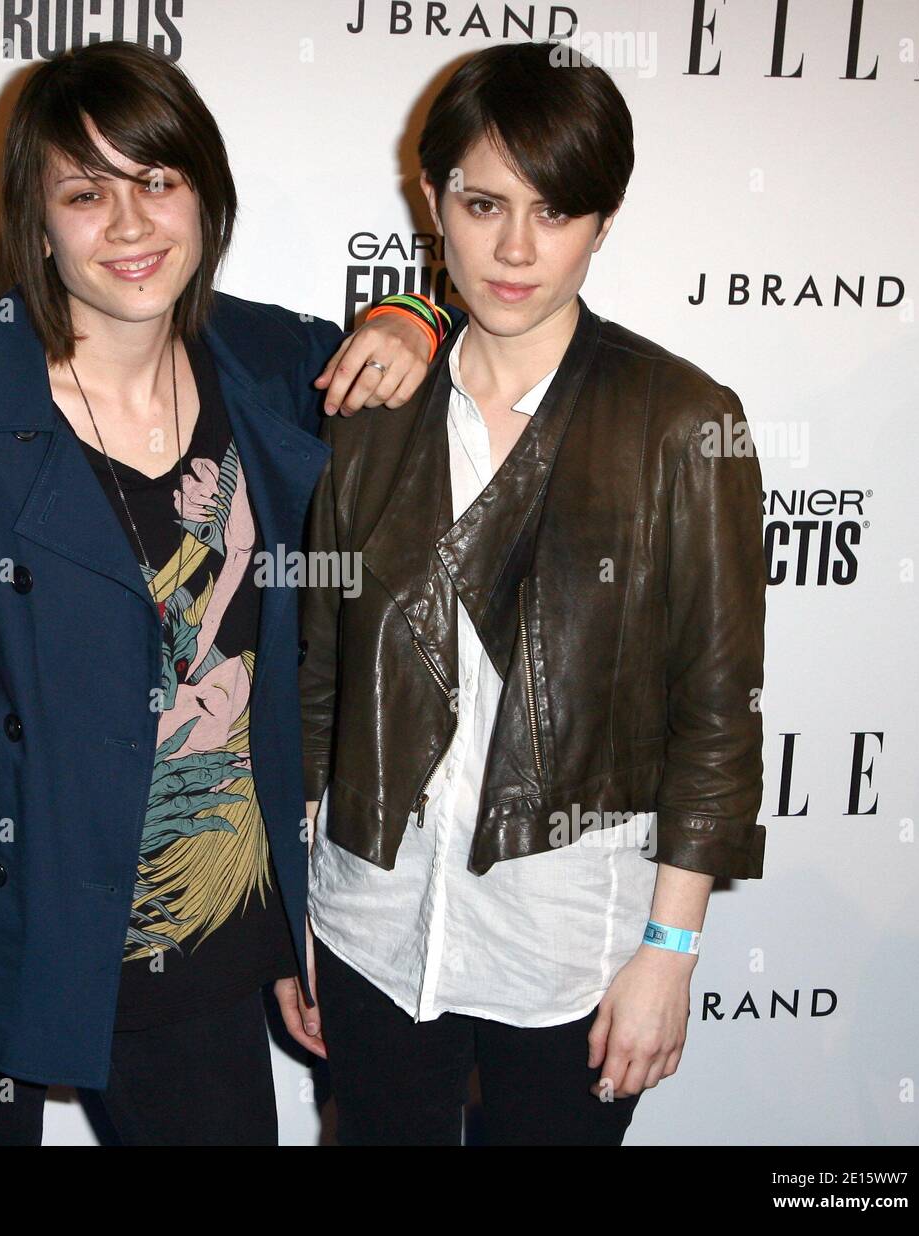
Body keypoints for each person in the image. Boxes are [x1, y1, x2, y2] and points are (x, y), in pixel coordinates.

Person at [0, 40, 449, 1146]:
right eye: (86, 194)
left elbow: (483, 323)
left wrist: (411, 316)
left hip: (194, 916)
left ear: (204, 192)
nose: (133, 226)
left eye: (158, 180)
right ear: (35, 221)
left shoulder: (272, 361)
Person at [292, 41, 767, 1146]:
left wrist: (670, 954)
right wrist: (300, 911)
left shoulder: (681, 420)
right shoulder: (370, 405)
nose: (513, 250)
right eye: (482, 203)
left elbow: (716, 715)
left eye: (553, 213)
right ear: (432, 201)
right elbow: (319, 676)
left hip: (573, 944)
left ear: (602, 221)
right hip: (369, 923)